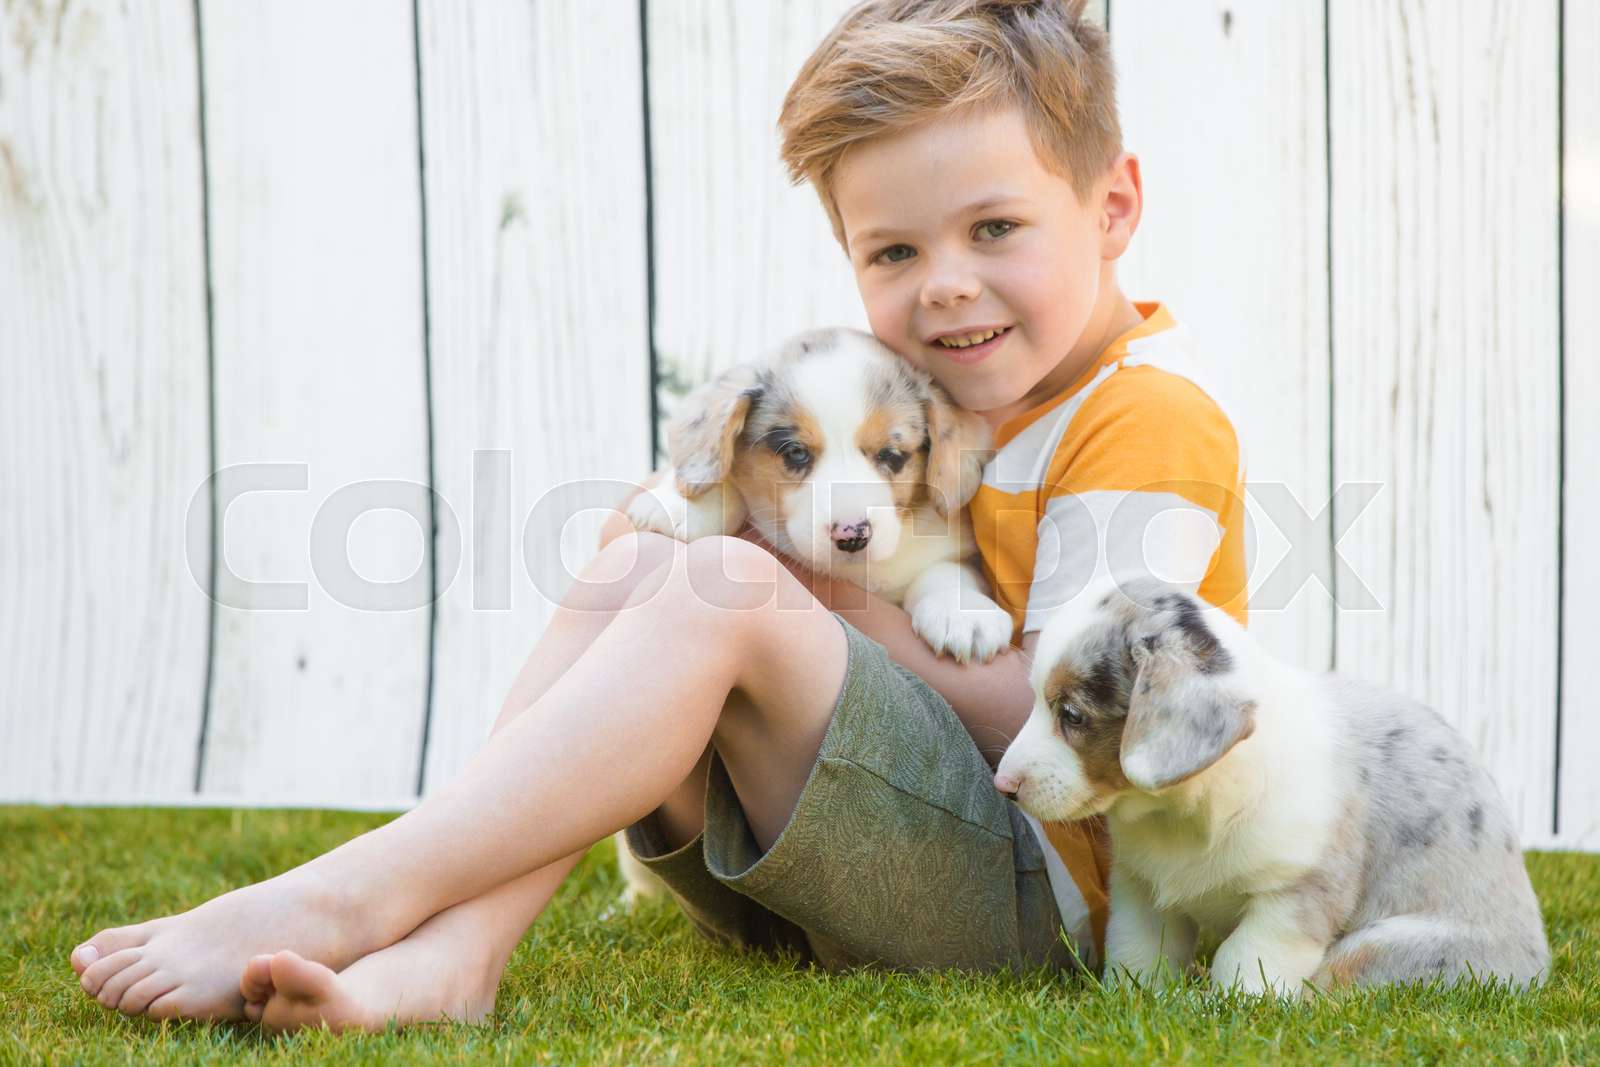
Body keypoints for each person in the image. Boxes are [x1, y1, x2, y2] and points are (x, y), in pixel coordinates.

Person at [69, 0, 1247, 1031]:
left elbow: (1068, 730)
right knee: (659, 557)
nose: (943, 282)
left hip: (1052, 898)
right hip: (817, 868)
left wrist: (798, 593)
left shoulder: (1146, 420)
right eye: (893, 248)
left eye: (994, 228)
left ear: (1113, 204)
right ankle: (459, 945)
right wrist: (678, 533)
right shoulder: (927, 399)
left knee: (717, 586)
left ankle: (358, 890)